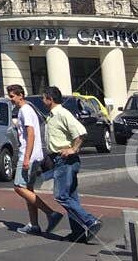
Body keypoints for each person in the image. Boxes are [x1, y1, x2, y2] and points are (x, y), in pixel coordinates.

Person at [42, 86, 103, 244]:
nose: (42, 101)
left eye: (44, 98)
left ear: (50, 99)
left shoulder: (62, 114)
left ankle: (90, 221)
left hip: (65, 160)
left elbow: (81, 132)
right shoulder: (52, 115)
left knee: (61, 196)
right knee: (71, 198)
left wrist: (73, 149)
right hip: (60, 160)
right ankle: (77, 233)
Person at [7, 83, 64, 236]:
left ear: (20, 95)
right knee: (28, 189)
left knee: (19, 187)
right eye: (10, 96)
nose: (11, 99)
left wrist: (26, 157)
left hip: (29, 155)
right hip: (35, 154)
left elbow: (30, 134)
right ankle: (34, 224)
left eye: (12, 96)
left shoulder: (25, 110)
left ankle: (51, 213)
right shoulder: (27, 110)